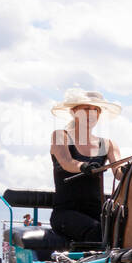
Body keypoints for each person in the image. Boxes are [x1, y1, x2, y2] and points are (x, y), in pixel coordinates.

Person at [49, 88, 123, 244]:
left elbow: (119, 171)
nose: (91, 113)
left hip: (97, 213)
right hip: (65, 213)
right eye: (86, 109)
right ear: (74, 111)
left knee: (123, 229)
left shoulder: (107, 144)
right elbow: (67, 162)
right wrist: (83, 166)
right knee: (97, 231)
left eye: (95, 110)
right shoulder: (60, 136)